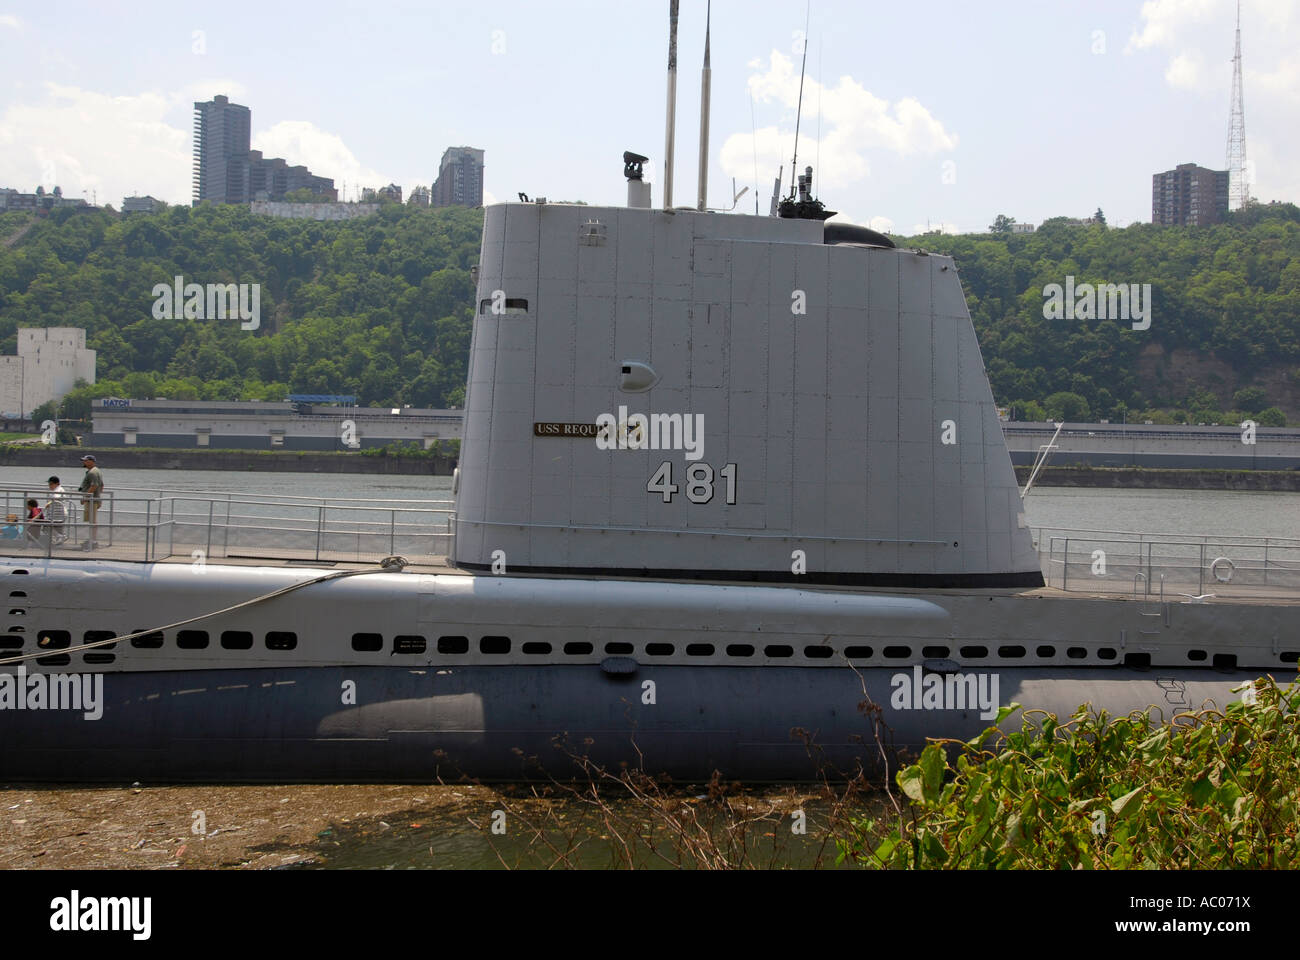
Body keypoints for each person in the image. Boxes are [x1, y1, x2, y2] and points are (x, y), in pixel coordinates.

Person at [77, 455, 104, 550]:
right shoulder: (96, 471)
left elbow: (94, 486)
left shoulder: (92, 473)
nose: (84, 462)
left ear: (92, 461)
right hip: (94, 499)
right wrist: (99, 496)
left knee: (92, 521)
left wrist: (85, 497)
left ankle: (93, 541)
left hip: (92, 500)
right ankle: (92, 539)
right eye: (84, 461)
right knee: (92, 520)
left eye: (86, 461)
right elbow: (102, 486)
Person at [44, 476, 69, 544]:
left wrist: (48, 503)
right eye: (49, 484)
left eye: (51, 484)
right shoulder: (56, 490)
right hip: (56, 514)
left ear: (57, 483)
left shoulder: (58, 489)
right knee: (52, 527)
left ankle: (60, 536)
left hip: (58, 514)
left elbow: (55, 497)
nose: (50, 486)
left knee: (45, 525)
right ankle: (60, 537)